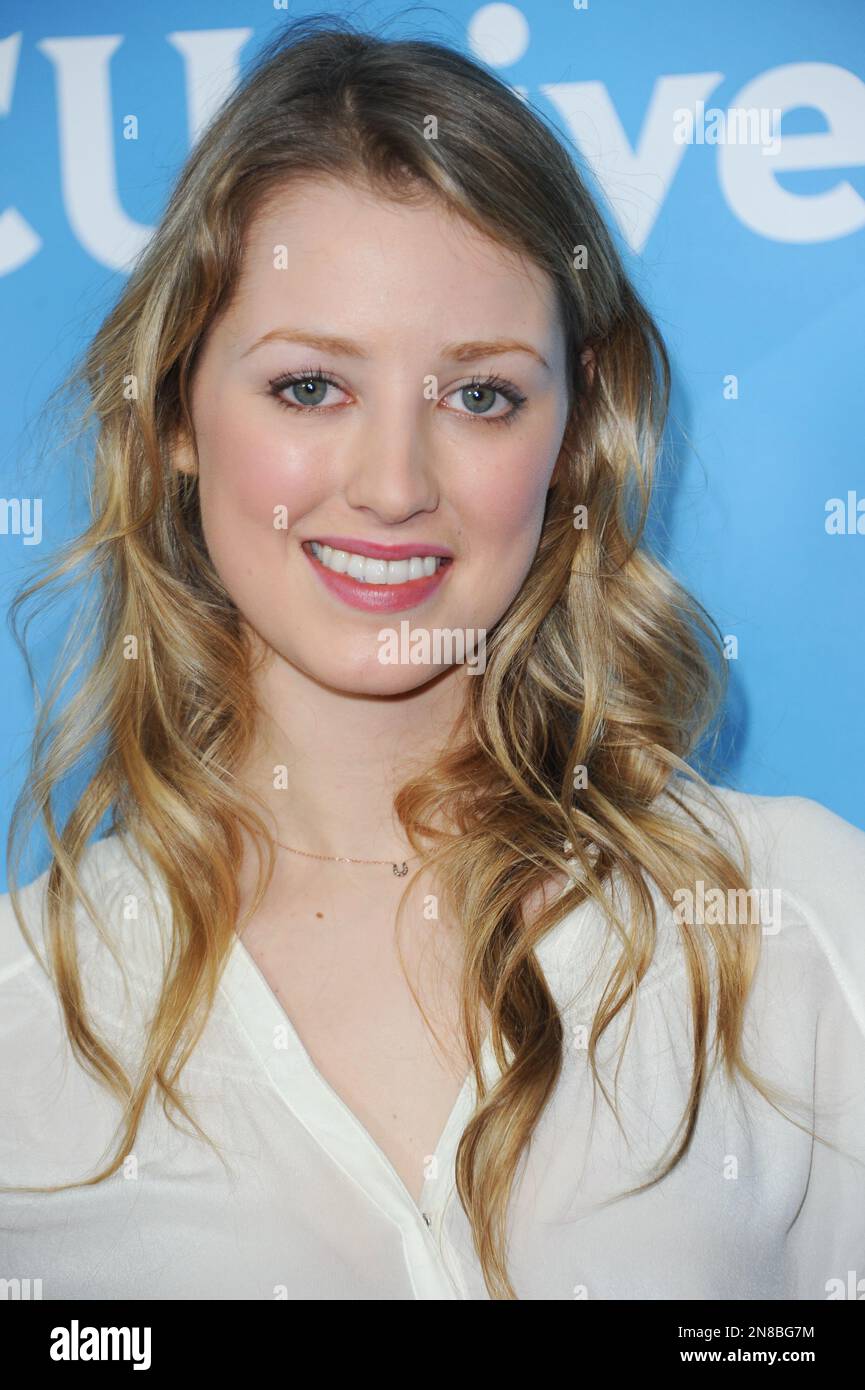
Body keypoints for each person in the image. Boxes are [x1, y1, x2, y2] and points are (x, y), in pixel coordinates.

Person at [1, 18, 863, 1302]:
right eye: (309, 388)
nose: (394, 486)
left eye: (480, 396)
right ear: (177, 413)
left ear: (575, 436)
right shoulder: (26, 1006)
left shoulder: (795, 924)